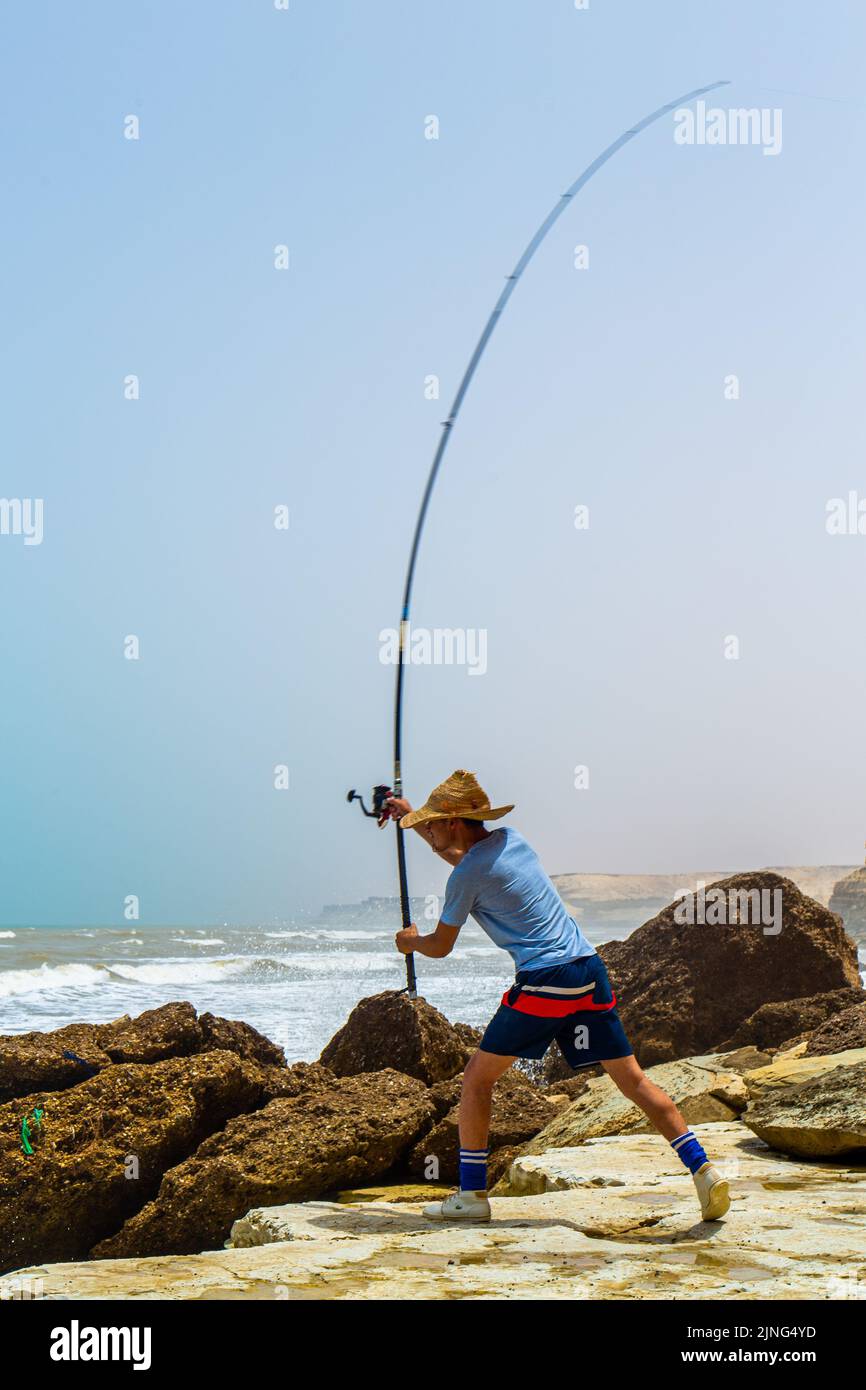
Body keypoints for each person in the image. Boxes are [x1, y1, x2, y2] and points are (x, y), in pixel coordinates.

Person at [379, 769, 731, 1224]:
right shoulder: (512, 841)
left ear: (452, 822)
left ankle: (470, 1196)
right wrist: (413, 819)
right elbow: (465, 860)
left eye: (435, 822)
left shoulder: (466, 875)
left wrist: (410, 942)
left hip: (546, 979)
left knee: (477, 1080)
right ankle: (704, 1171)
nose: (434, 831)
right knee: (633, 1081)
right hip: (589, 969)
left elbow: (441, 945)